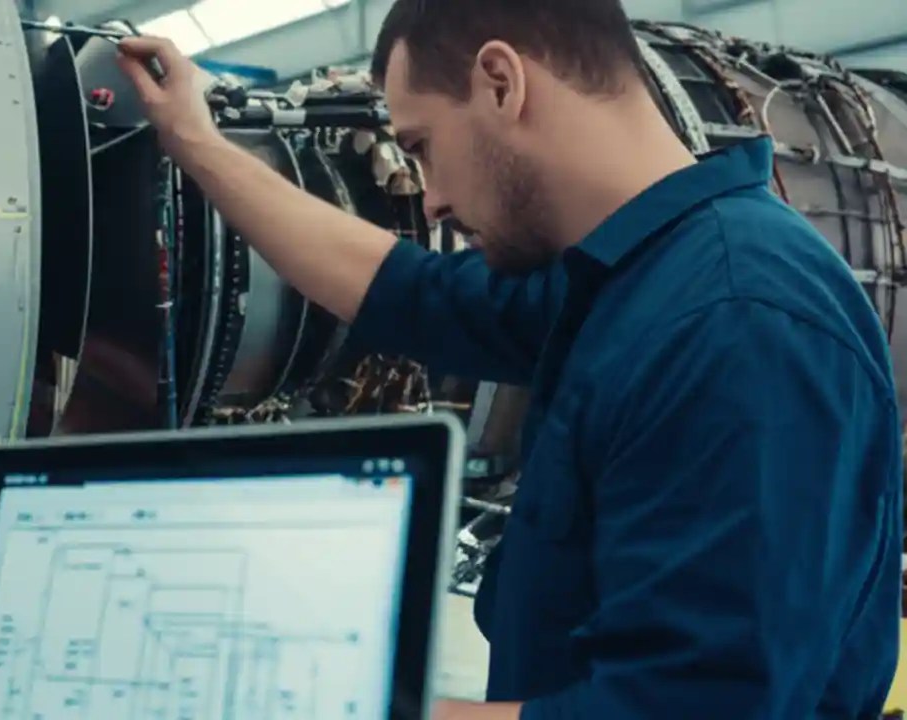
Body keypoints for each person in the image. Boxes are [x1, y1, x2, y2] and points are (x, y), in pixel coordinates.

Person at [114, 0, 904, 716]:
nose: (429, 200)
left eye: (420, 146)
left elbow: (686, 708)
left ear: (501, 82)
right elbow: (402, 290)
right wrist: (196, 145)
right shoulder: (630, 281)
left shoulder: (735, 324)